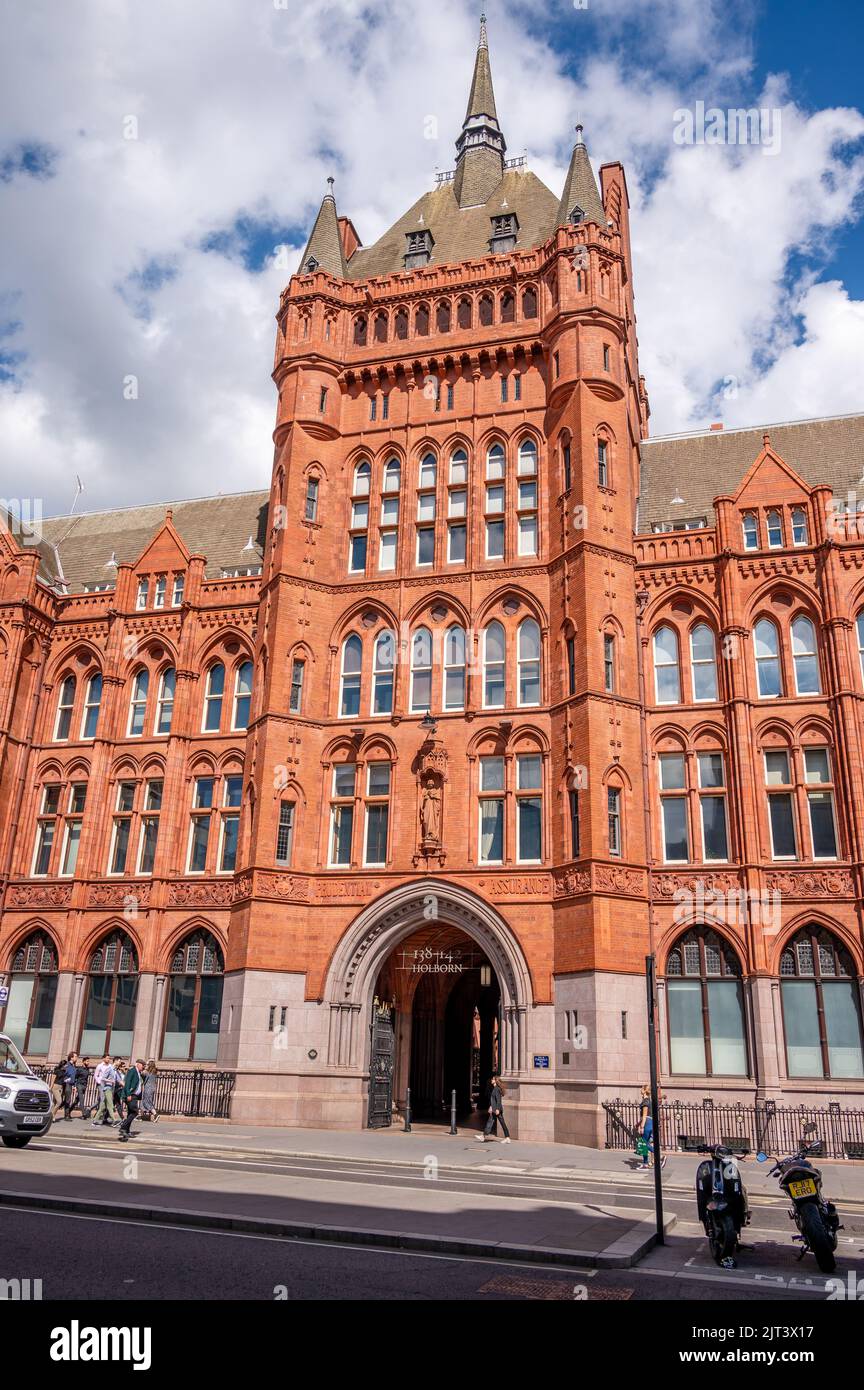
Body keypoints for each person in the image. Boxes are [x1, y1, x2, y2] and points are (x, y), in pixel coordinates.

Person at [637, 1083, 666, 1170]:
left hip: (647, 1123)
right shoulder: (649, 1101)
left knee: (643, 1143)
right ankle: (645, 1163)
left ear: (645, 1090)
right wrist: (638, 1124)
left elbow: (645, 1115)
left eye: (642, 1088)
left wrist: (641, 1126)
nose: (640, 1089)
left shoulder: (646, 1101)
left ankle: (660, 1157)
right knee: (643, 1143)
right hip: (650, 1122)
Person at [475, 1074, 510, 1143]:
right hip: (495, 1109)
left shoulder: (496, 1089)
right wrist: (491, 1107)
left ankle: (484, 1136)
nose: (491, 1080)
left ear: (496, 1081)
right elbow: (493, 1100)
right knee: (495, 1122)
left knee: (494, 1122)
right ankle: (507, 1137)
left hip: (497, 1110)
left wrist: (497, 1109)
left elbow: (498, 1100)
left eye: (493, 1079)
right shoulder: (495, 1088)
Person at [118, 1059, 145, 1142]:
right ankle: (123, 1127)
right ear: (138, 1064)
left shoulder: (138, 1073)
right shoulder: (132, 1071)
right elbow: (128, 1083)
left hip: (135, 1096)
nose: (144, 1067)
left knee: (130, 1113)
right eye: (143, 1065)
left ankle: (127, 1131)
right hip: (130, 1095)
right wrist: (128, 1094)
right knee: (135, 1112)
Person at [90, 1054, 118, 1126]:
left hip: (109, 1087)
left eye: (109, 1058)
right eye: (107, 1058)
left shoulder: (110, 1067)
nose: (108, 1059)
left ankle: (96, 1120)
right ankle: (114, 1120)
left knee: (103, 1104)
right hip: (104, 1086)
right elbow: (97, 1076)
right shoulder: (101, 1066)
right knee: (110, 1104)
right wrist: (100, 1082)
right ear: (103, 1058)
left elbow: (115, 1078)